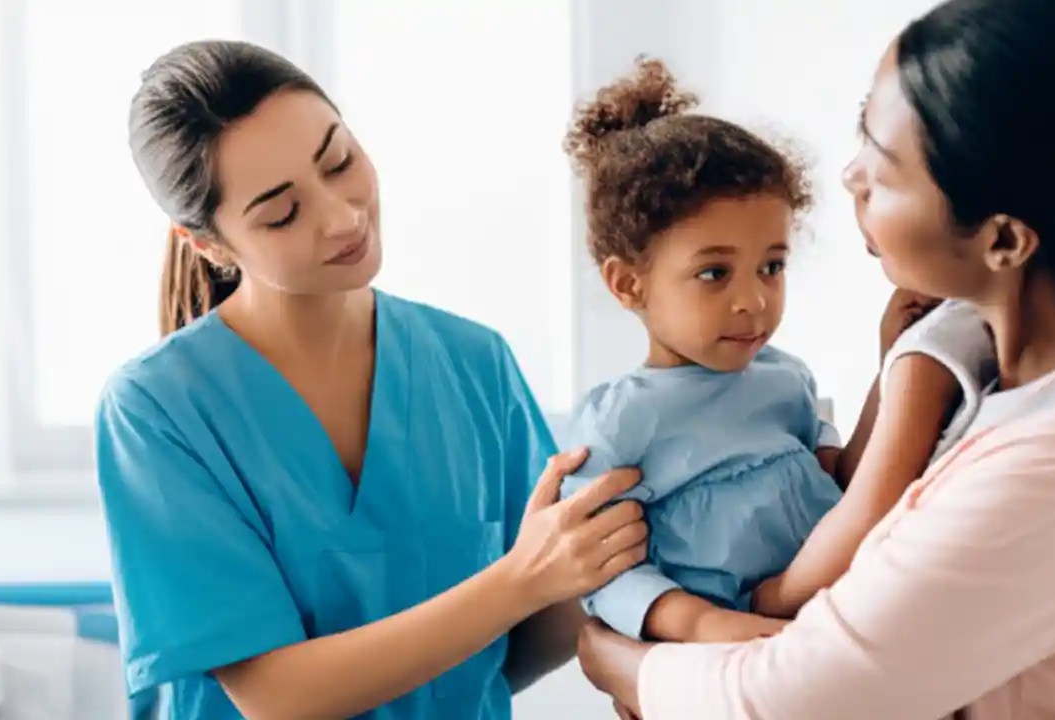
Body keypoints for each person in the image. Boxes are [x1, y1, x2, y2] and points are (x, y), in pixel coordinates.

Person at [576, 0, 1055, 717]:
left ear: (1004, 241)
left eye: (882, 166)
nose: (848, 178)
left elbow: (783, 700)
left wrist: (614, 661)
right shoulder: (977, 372)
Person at [95, 40, 650, 720]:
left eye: (339, 161)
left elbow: (520, 643)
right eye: (281, 213)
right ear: (208, 244)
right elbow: (277, 697)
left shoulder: (476, 363)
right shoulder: (159, 409)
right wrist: (520, 580)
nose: (342, 216)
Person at [557, 58, 994, 645]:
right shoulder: (618, 422)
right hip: (717, 655)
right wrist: (704, 624)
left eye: (772, 267)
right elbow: (604, 573)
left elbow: (844, 483)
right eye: (715, 273)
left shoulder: (785, 380)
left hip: (831, 622)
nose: (754, 301)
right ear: (629, 284)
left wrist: (889, 362)